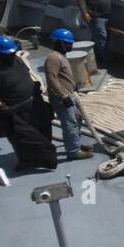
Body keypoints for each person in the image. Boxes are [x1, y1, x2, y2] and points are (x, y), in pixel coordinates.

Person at [0, 36, 57, 170]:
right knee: (22, 138)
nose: (11, 55)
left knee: (43, 128)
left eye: (12, 52)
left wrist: (34, 86)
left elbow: (25, 73)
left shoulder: (16, 60)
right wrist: (0, 105)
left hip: (33, 103)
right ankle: (26, 161)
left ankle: (41, 156)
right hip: (14, 110)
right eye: (8, 54)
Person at [44, 28, 93, 161]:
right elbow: (52, 79)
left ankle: (75, 144)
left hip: (69, 94)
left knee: (76, 120)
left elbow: (63, 77)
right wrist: (63, 96)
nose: (70, 46)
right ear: (58, 43)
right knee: (69, 123)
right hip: (62, 97)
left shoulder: (61, 56)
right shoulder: (53, 58)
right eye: (67, 43)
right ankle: (73, 151)